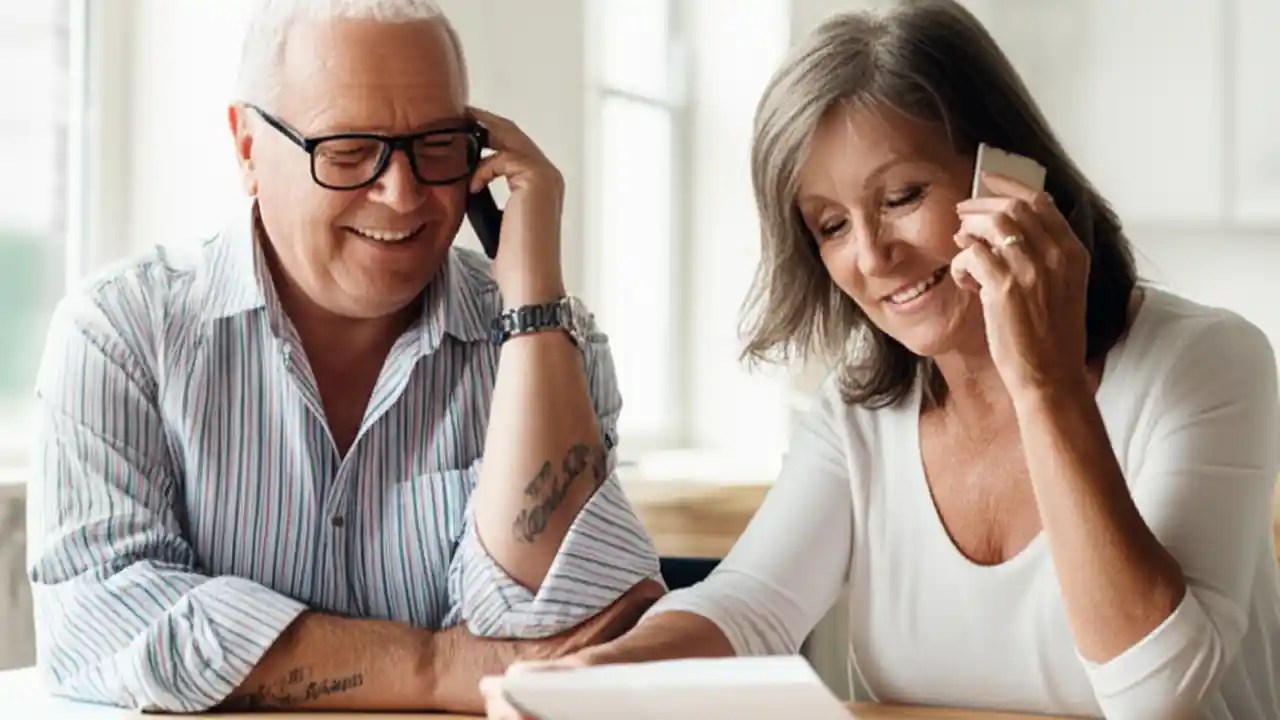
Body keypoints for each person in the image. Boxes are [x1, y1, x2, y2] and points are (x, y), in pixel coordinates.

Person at [482, 1, 1280, 718]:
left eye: (902, 198)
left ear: (1011, 178)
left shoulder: (1208, 362)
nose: (873, 256)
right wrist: (589, 677)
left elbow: (1158, 693)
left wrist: (1044, 382)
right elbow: (751, 606)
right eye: (830, 225)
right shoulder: (858, 411)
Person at [26, 0, 663, 713]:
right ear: (246, 147)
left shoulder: (544, 341)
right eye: (349, 151)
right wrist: (429, 666)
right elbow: (100, 628)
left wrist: (534, 306)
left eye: (439, 145)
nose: (402, 194)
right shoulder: (120, 333)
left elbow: (559, 646)